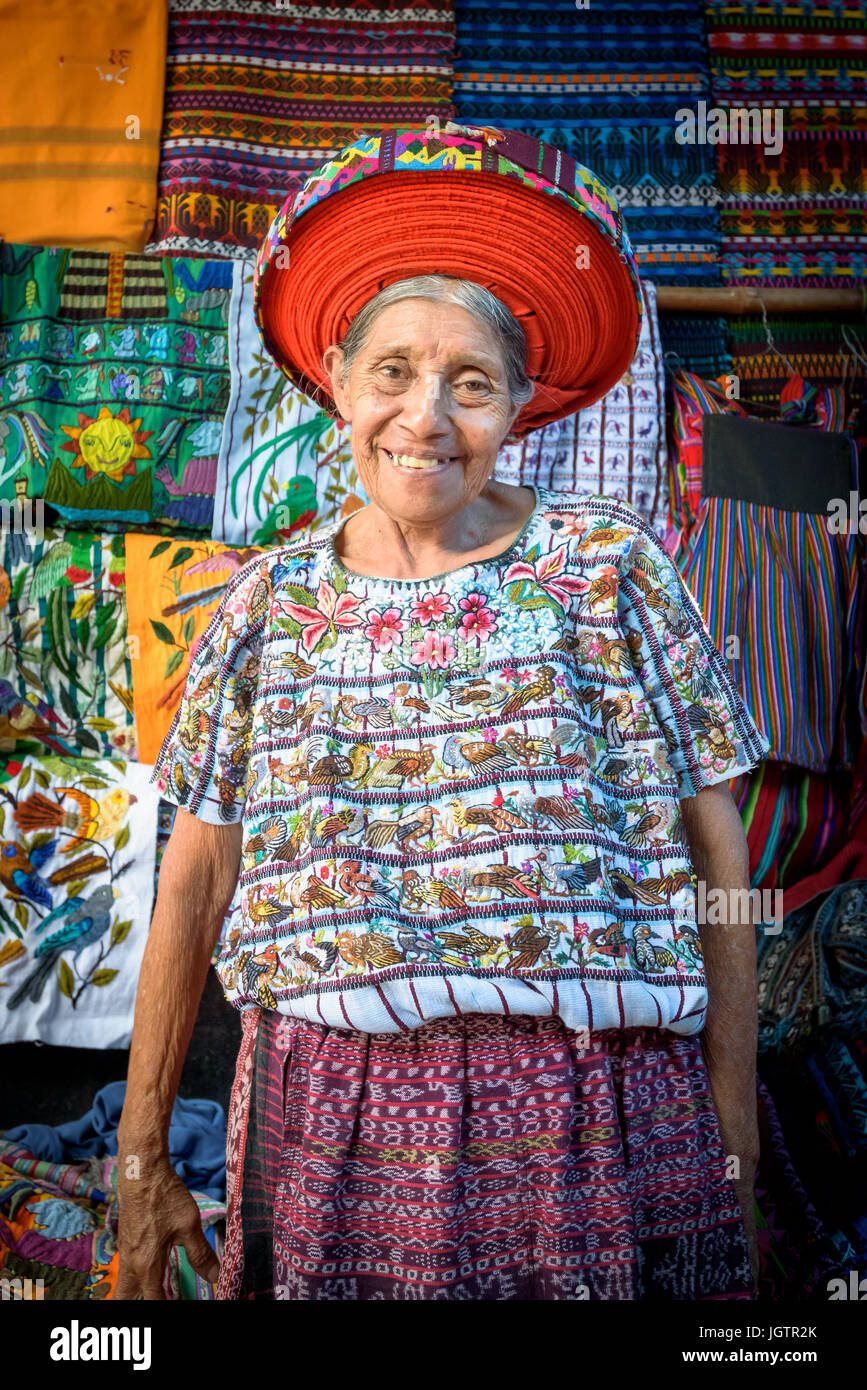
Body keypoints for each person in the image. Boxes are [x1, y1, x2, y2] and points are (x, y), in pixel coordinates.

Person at [116, 123, 769, 1301]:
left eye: (472, 382)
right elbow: (196, 871)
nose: (427, 416)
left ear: (522, 404)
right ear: (335, 381)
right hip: (334, 1122)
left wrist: (737, 1133)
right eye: (394, 372)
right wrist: (140, 1157)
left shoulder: (613, 569)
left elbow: (716, 842)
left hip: (605, 1107)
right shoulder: (268, 600)